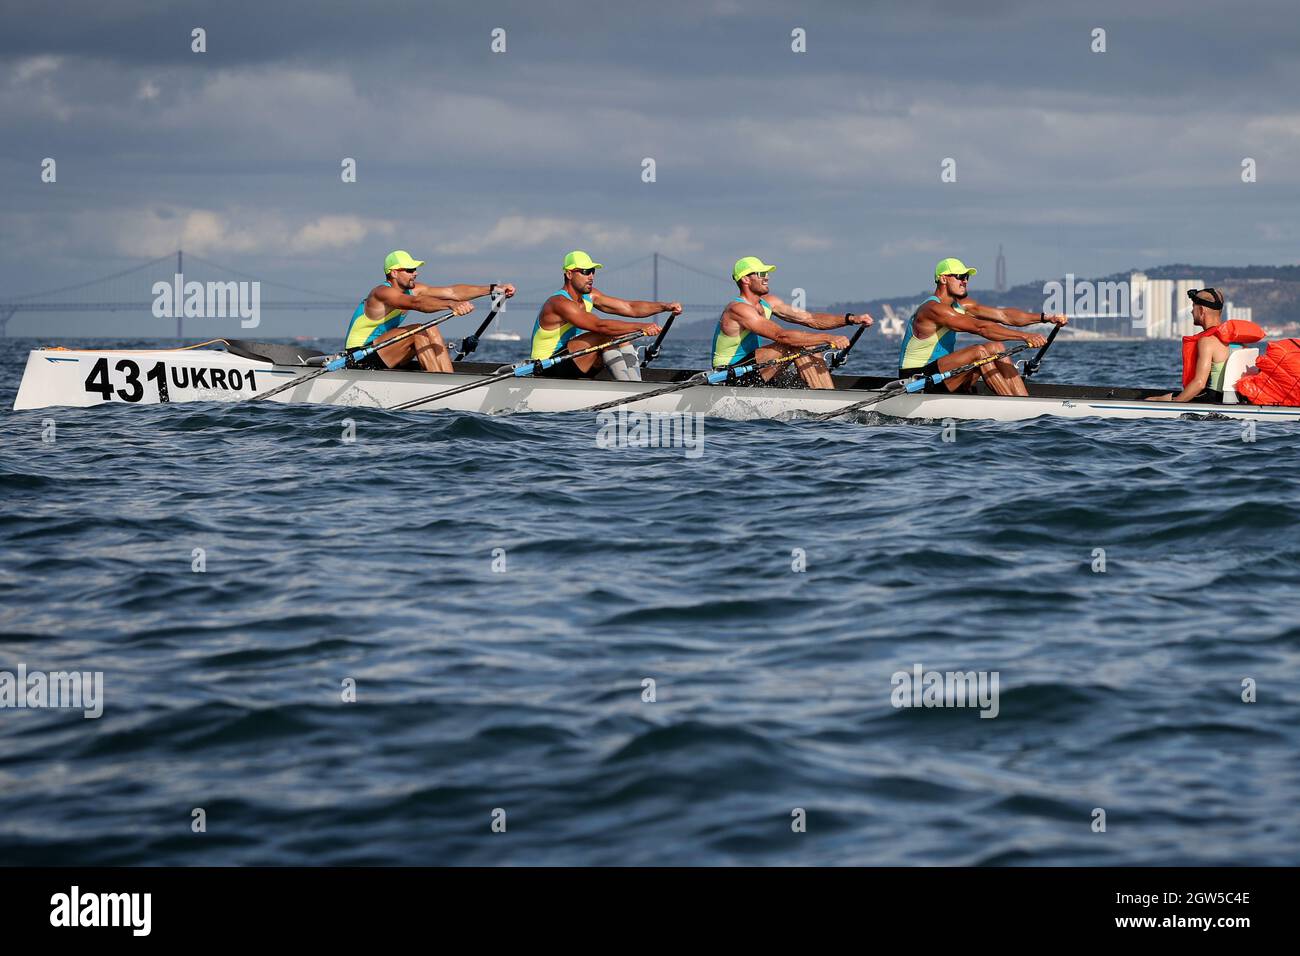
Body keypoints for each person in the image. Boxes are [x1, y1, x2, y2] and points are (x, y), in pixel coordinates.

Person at [899, 258, 1066, 396]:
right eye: (960, 276)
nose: (965, 281)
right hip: (917, 379)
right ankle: (1011, 406)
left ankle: (1024, 402)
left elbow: (1004, 316)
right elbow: (980, 328)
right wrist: (1024, 336)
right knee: (979, 352)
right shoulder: (933, 309)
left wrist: (1045, 318)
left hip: (943, 375)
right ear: (943, 279)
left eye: (967, 277)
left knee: (997, 347)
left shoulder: (962, 305)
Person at [712, 256, 872, 389]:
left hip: (753, 369)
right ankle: (822, 397)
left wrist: (850, 319)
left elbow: (810, 319)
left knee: (810, 345)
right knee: (794, 343)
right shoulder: (738, 309)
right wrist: (828, 338)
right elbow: (782, 336)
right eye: (761, 273)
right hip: (729, 375)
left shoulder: (770, 302)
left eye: (767, 273)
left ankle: (827, 393)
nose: (767, 277)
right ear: (746, 279)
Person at [345, 250, 515, 372]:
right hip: (358, 356)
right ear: (394, 273)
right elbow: (416, 303)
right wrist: (450, 305)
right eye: (410, 270)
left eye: (415, 269)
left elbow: (453, 292)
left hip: (384, 351)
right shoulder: (382, 292)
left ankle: (447, 378)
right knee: (418, 331)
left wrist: (495, 289)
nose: (416, 273)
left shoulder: (414, 289)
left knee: (430, 329)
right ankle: (437, 381)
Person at [531, 251, 681, 380]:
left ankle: (635, 384)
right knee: (605, 335)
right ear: (569, 274)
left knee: (621, 338)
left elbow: (630, 308)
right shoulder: (559, 303)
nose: (591, 276)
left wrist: (665, 306)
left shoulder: (591, 296)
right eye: (585, 272)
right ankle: (629, 390)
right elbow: (600, 326)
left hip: (571, 361)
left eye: (592, 271)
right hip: (546, 367)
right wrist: (641, 327)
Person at [1145, 288, 1265, 402]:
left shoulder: (1207, 341)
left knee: (1151, 400)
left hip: (1211, 399)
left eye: (1193, 307)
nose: (1191, 311)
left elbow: (1199, 383)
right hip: (1237, 399)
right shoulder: (1240, 341)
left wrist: (1176, 403)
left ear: (1202, 310)